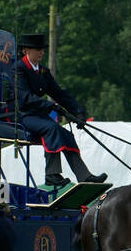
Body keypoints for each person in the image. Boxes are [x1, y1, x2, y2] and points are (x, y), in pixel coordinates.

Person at [9, 33, 106, 188]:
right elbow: (24, 97)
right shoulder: (18, 69)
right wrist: (49, 106)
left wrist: (78, 112)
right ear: (26, 50)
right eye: (37, 49)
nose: (41, 52)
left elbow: (59, 94)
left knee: (65, 133)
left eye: (42, 49)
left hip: (39, 115)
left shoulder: (43, 72)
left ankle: (84, 176)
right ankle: (52, 175)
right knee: (52, 128)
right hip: (22, 115)